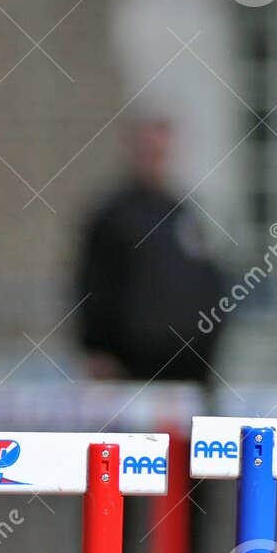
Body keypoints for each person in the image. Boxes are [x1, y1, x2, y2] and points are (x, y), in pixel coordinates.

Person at [75, 111, 225, 385]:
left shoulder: (182, 212)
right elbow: (92, 285)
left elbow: (210, 277)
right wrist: (95, 348)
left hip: (189, 367)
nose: (155, 156)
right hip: (132, 366)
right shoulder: (113, 215)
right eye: (148, 149)